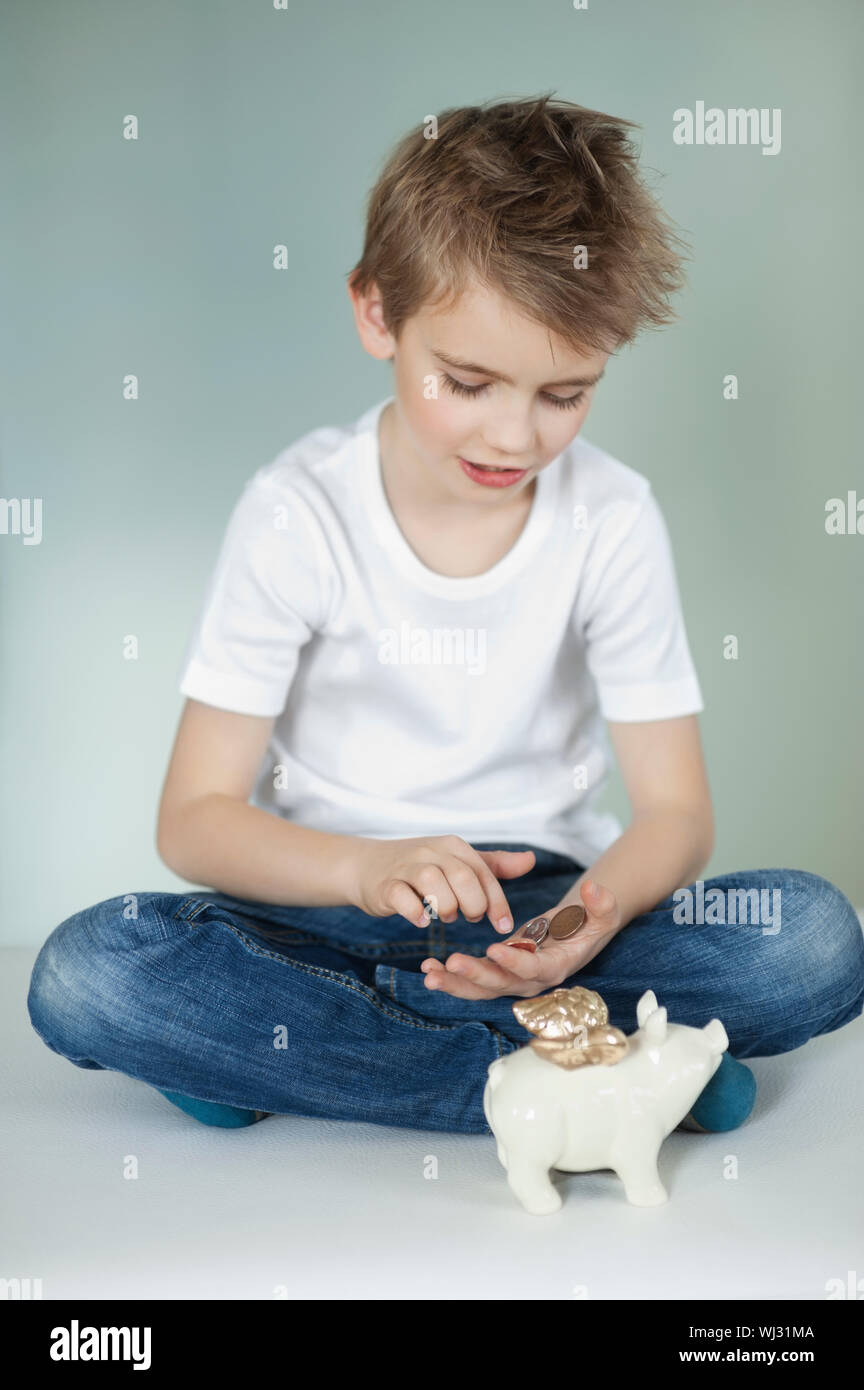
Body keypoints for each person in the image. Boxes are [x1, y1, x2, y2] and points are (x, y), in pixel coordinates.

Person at [27, 96, 864, 1137]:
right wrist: (364, 867)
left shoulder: (612, 518)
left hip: (541, 917)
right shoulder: (297, 512)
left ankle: (295, 1055)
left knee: (813, 938)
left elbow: (676, 815)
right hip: (318, 912)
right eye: (469, 383)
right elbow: (193, 819)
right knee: (88, 970)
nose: (516, 436)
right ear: (378, 313)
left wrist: (578, 922)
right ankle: (593, 1075)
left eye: (565, 394)